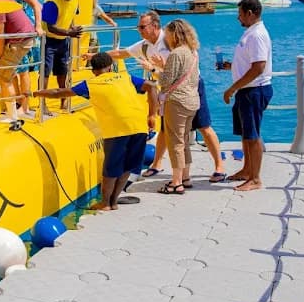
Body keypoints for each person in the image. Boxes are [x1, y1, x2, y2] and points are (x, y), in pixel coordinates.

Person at [99, 11, 226, 182]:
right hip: (168, 90)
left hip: (189, 86)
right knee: (166, 129)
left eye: (142, 26)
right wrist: (96, 56)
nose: (139, 29)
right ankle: (158, 165)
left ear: (155, 26)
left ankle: (218, 167)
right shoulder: (144, 45)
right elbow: (122, 53)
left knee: (204, 126)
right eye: (139, 26)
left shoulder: (171, 42)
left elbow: (178, 67)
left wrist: (154, 67)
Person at [33, 52, 157, 210]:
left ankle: (105, 203)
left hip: (117, 130)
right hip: (139, 126)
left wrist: (34, 93)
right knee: (127, 166)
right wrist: (152, 114)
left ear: (93, 71)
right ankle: (114, 201)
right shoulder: (126, 77)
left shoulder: (91, 84)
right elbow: (151, 86)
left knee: (111, 168)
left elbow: (58, 93)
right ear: (111, 66)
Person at [219, 0, 273, 192]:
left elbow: (259, 67)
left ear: (250, 13)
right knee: (245, 133)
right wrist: (231, 67)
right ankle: (247, 170)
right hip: (247, 90)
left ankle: (255, 179)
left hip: (254, 90)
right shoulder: (251, 33)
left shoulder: (257, 35)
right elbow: (249, 64)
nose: (238, 18)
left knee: (252, 135)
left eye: (240, 13)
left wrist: (232, 87)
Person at [157, 19, 200, 194]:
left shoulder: (176, 54)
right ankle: (185, 177)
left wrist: (157, 69)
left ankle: (176, 182)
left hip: (177, 101)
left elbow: (166, 81)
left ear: (174, 34)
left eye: (167, 35)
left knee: (175, 141)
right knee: (185, 141)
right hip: (192, 100)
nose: (166, 39)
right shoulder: (193, 52)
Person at [40, 0, 84, 99]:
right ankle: (42, 102)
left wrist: (72, 27)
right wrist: (70, 33)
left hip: (63, 41)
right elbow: (50, 27)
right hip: (48, 41)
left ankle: (63, 100)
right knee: (45, 72)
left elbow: (69, 16)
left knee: (63, 71)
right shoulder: (52, 1)